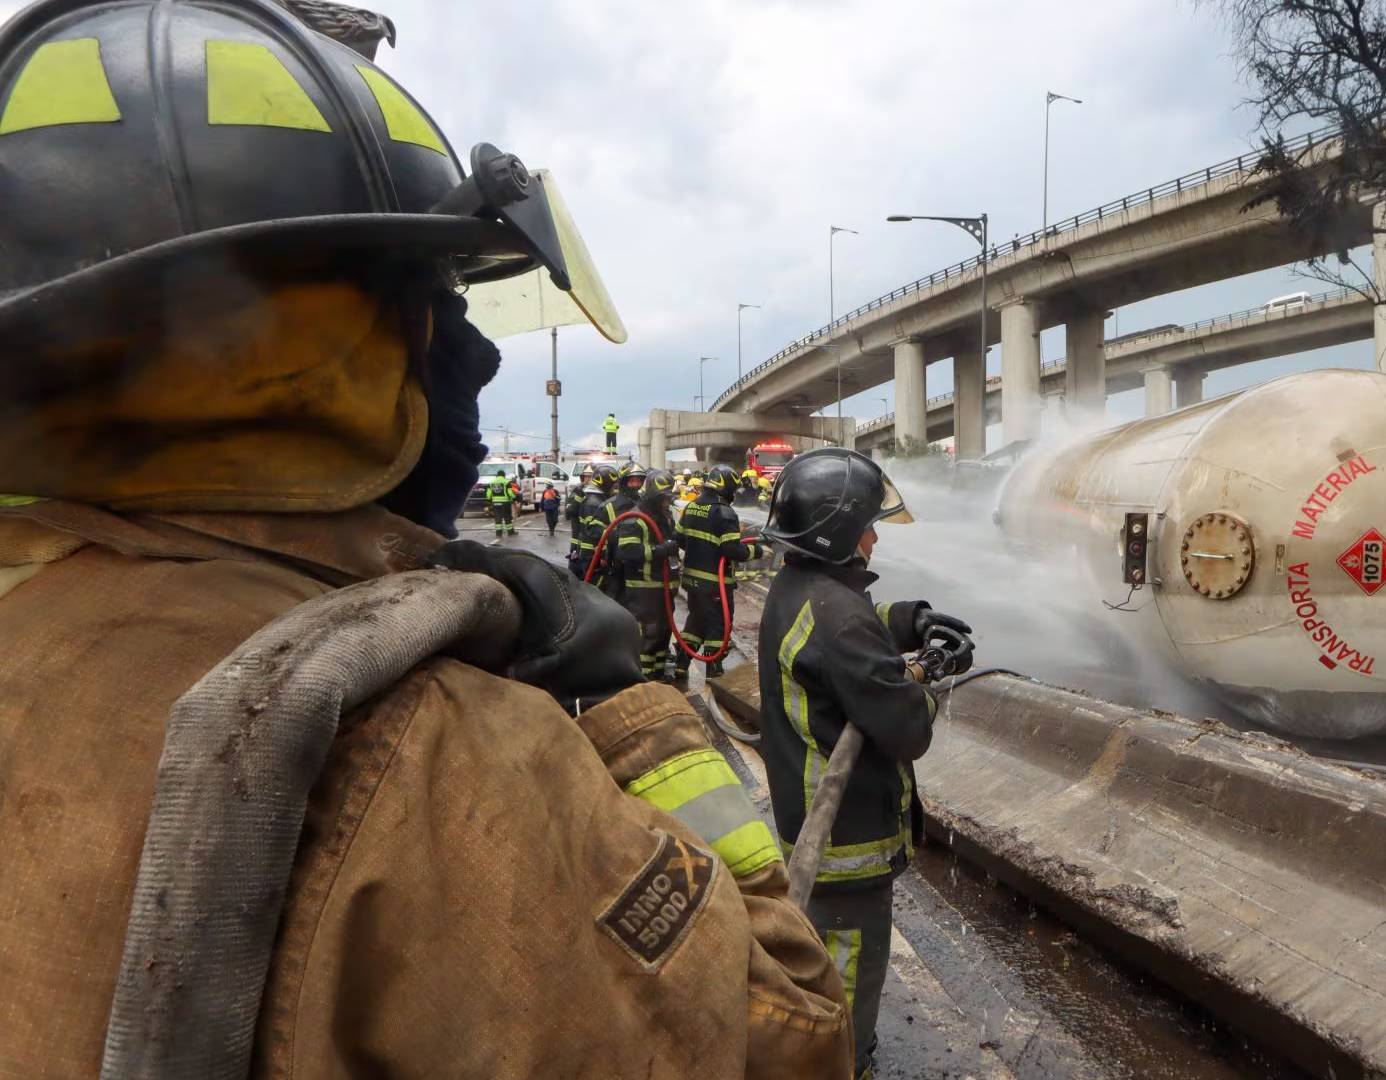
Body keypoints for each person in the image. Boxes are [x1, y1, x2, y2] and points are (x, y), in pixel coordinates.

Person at [0, 2, 851, 1075]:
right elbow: (797, 1031)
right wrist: (635, 724)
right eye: (439, 298)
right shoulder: (434, 753)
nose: (477, 359)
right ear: (318, 347)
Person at [756, 448, 974, 1080]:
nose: (876, 537)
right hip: (845, 832)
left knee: (821, 950)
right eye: (868, 525)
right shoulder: (839, 619)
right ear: (841, 532)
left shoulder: (801, 589)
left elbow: (854, 625)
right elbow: (907, 728)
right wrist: (931, 674)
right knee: (849, 966)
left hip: (811, 815)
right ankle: (842, 1063)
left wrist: (912, 620)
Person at [675, 465, 766, 680]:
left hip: (691, 580)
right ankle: (714, 670)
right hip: (715, 584)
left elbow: (679, 539)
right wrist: (757, 550)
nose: (733, 494)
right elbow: (731, 550)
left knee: (696, 620)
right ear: (725, 487)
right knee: (718, 625)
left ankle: (681, 664)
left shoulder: (690, 507)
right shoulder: (725, 512)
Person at [607, 468, 683, 680]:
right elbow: (628, 552)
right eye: (664, 498)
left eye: (669, 498)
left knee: (662, 632)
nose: (667, 502)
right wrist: (662, 551)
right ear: (652, 496)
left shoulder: (664, 517)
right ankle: (645, 677)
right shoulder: (635, 519)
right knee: (649, 633)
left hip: (663, 586)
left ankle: (657, 672)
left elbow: (671, 539)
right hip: (644, 588)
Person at [567, 463, 618, 578]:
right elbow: (595, 532)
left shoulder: (593, 498)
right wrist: (603, 555)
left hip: (582, 551)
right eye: (586, 476)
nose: (588, 480)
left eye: (590, 476)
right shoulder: (593, 502)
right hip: (588, 553)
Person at [486, 468, 519, 538]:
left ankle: (498, 533)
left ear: (497, 475)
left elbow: (488, 494)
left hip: (495, 503)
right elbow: (510, 493)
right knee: (507, 517)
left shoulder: (491, 482)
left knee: (498, 518)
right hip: (505, 503)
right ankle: (510, 532)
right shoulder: (506, 482)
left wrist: (490, 500)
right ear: (504, 475)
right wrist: (514, 497)